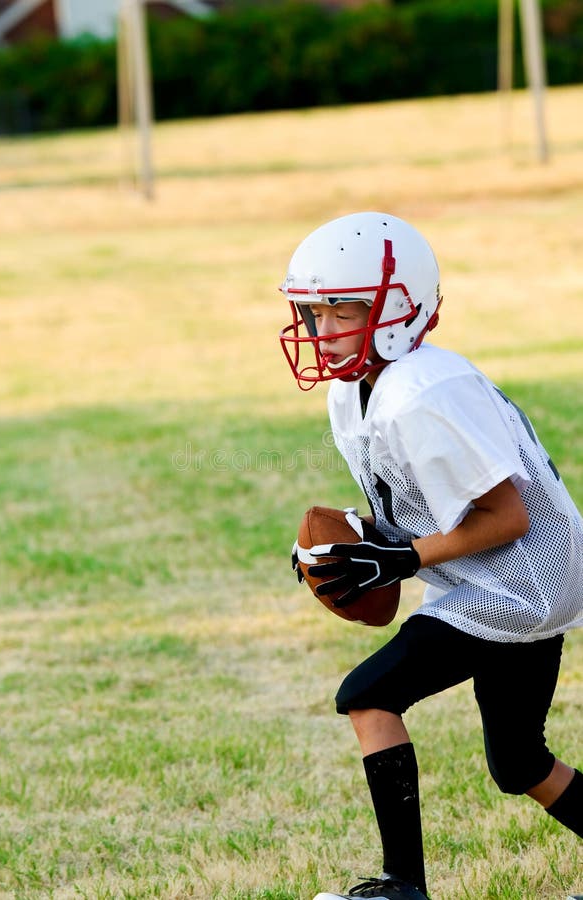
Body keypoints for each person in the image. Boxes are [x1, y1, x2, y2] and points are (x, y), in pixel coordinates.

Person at [278, 212, 583, 900]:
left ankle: (402, 887)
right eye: (313, 313)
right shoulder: (352, 394)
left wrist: (401, 561)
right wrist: (344, 543)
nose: (321, 331)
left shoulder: (423, 388)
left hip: (517, 581)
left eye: (339, 312)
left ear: (395, 308)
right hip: (502, 574)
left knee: (369, 695)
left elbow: (508, 516)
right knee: (520, 762)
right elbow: (412, 503)